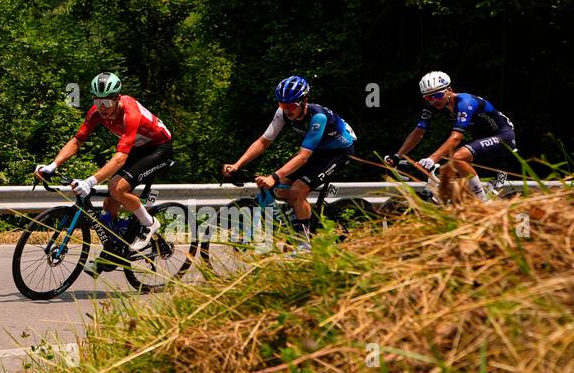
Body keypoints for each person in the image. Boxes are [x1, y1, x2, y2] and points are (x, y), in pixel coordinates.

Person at [35, 72, 173, 275]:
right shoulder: (97, 112)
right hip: (137, 147)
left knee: (117, 188)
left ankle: (149, 223)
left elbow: (120, 158)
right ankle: (113, 253)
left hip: (158, 149)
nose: (103, 107)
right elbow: (77, 141)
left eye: (107, 101)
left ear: (117, 98)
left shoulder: (130, 112)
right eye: (98, 101)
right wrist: (53, 165)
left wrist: (90, 181)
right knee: (109, 205)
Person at [221, 75, 356, 252]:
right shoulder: (282, 113)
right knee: (280, 190)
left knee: (297, 191)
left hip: (338, 152)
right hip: (318, 151)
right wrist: (237, 164)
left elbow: (303, 157)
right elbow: (263, 142)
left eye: (291, 106)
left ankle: (304, 244)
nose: (287, 111)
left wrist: (273, 176)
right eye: (282, 105)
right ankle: (299, 222)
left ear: (304, 101)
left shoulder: (318, 117)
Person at [384, 70, 516, 203]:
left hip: (503, 136)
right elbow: (418, 132)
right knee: (444, 173)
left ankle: (483, 203)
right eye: (428, 97)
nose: (434, 100)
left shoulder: (465, 102)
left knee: (457, 158)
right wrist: (397, 156)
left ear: (449, 90)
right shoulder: (432, 106)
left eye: (437, 95)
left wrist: (432, 159)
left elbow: (456, 138)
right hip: (481, 138)